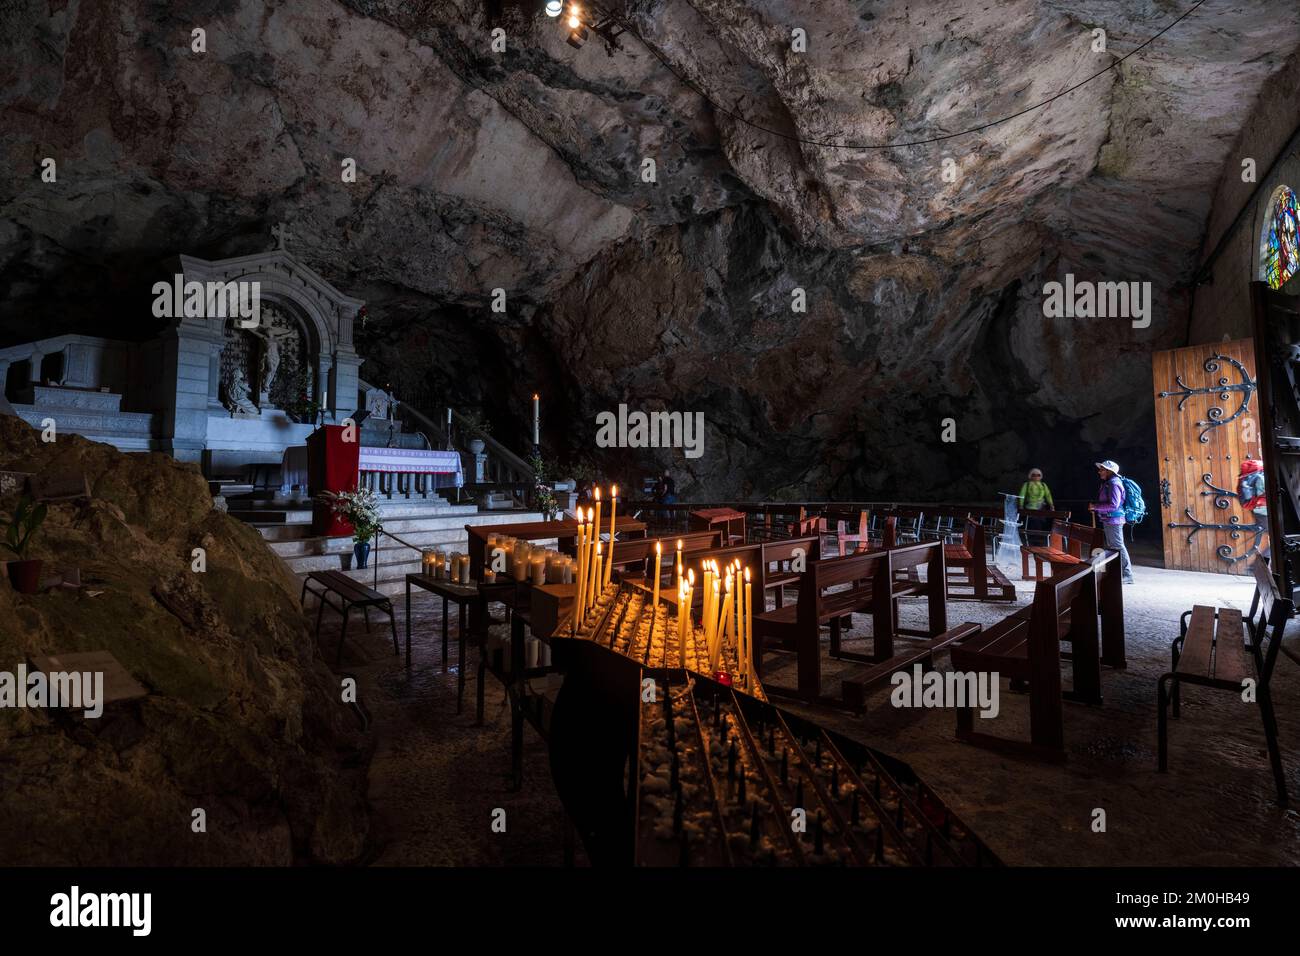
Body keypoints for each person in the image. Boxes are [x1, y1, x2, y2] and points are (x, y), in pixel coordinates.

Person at [1089, 459, 1134, 584]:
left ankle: (1127, 574)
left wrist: (1095, 507)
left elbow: (1114, 505)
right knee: (1114, 546)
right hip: (1109, 519)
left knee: (1118, 546)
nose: (1099, 472)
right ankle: (1119, 573)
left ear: (1109, 471)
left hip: (1114, 520)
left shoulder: (1114, 483)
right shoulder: (1108, 483)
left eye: (1102, 469)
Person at [1238, 458, 1269, 558]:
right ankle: (1261, 564)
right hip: (1265, 512)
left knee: (1278, 540)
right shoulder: (1261, 478)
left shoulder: (1248, 477)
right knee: (1280, 539)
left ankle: (1263, 564)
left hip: (1258, 512)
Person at [1017, 468, 1054, 545]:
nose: (1036, 477)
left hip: (1041, 508)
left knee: (1041, 525)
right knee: (1031, 525)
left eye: (1038, 475)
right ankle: (1031, 542)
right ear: (1030, 476)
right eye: (1034, 475)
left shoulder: (1043, 485)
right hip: (1030, 509)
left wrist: (1051, 504)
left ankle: (1040, 543)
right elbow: (1022, 495)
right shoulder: (1026, 485)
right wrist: (1020, 505)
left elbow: (1048, 495)